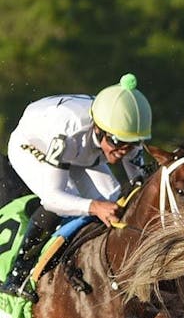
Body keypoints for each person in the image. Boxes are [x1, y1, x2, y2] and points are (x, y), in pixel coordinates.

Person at [0, 73, 152, 301]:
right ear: (99, 129)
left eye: (132, 145)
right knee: (66, 202)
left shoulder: (124, 137)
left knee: (115, 197)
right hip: (34, 145)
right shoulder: (67, 133)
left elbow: (139, 181)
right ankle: (18, 274)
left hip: (83, 153)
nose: (123, 151)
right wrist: (95, 207)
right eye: (117, 143)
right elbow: (54, 197)